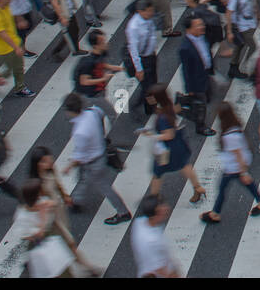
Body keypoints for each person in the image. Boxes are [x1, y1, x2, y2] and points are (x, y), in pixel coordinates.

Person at [61, 94, 130, 226]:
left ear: (70, 111)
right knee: (84, 179)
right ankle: (75, 201)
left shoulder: (80, 131)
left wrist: (69, 166)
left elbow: (80, 155)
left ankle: (123, 212)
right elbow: (101, 113)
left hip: (93, 162)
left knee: (104, 187)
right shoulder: (91, 113)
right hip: (99, 155)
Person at [201, 101, 260, 223]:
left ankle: (215, 213)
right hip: (237, 165)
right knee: (248, 184)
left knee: (222, 188)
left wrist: (243, 173)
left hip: (234, 167)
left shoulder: (229, 136)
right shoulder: (235, 127)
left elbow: (238, 155)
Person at [146, 85, 205, 202]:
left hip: (168, 149)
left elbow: (169, 135)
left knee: (157, 172)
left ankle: (153, 199)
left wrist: (151, 135)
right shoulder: (168, 107)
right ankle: (198, 188)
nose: (148, 99)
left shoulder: (163, 116)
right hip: (178, 145)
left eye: (150, 97)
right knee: (184, 165)